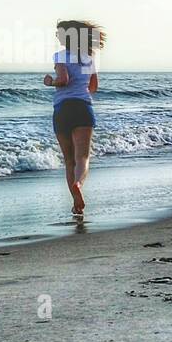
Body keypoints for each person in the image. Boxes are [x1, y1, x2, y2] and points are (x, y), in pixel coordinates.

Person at [43, 19, 105, 215]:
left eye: (59, 33)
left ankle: (76, 203)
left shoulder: (60, 56)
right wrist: (80, 88)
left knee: (69, 160)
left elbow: (63, 80)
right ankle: (79, 184)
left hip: (62, 109)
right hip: (83, 107)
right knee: (83, 157)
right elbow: (93, 87)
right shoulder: (88, 58)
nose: (57, 36)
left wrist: (50, 81)